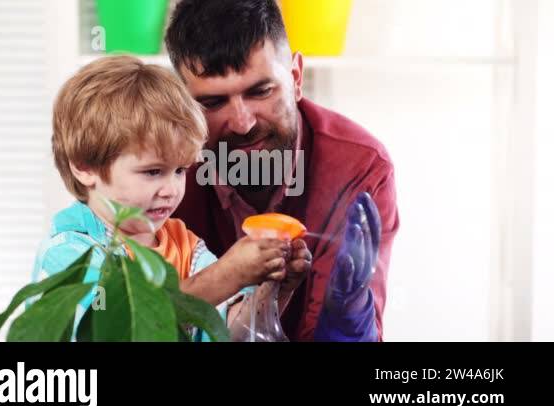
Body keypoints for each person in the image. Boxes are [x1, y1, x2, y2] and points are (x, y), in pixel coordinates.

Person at [31, 55, 312, 340]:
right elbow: (118, 330)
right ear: (84, 167)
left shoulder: (184, 247)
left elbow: (226, 332)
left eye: (179, 170)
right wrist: (227, 276)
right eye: (153, 172)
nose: (171, 190)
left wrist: (272, 289)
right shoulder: (70, 253)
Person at [166, 0, 399, 341]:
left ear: (295, 77)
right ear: (183, 103)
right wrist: (222, 278)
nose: (243, 123)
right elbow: (128, 325)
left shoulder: (358, 169)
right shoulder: (163, 172)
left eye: (261, 91)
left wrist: (348, 321)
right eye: (213, 102)